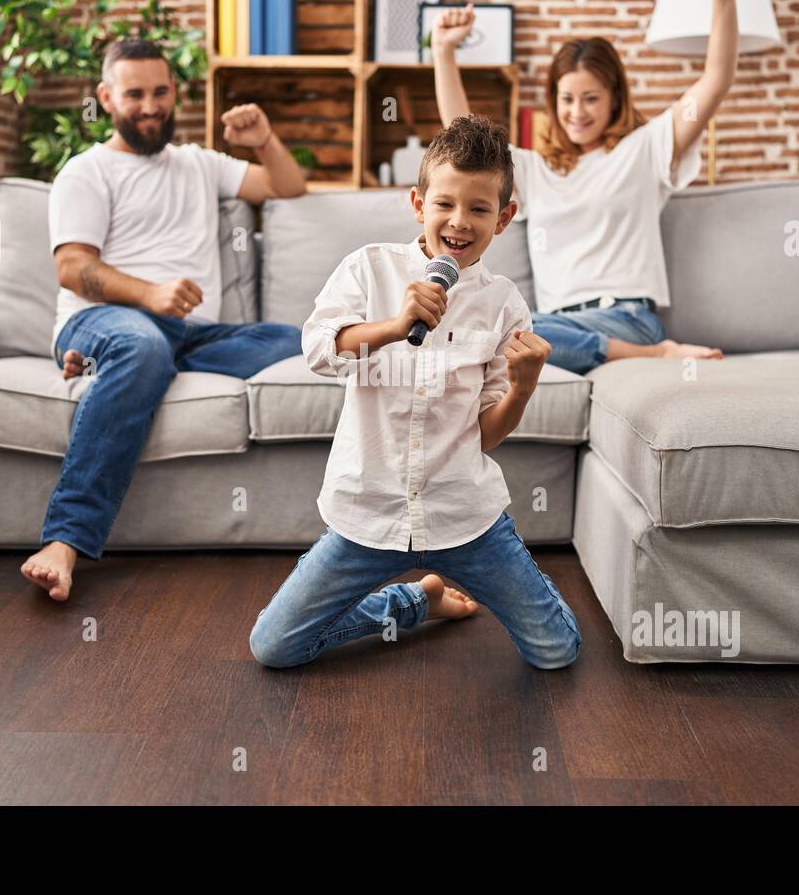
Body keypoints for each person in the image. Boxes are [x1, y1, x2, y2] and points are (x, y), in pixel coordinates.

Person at [249, 114, 582, 670]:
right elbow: (319, 352)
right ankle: (413, 602)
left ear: (504, 219)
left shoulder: (504, 304)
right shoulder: (368, 269)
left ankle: (520, 582)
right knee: (275, 646)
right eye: (445, 204)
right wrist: (392, 324)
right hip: (367, 514)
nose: (459, 221)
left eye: (479, 209)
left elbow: (487, 437)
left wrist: (523, 388)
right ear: (417, 204)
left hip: (464, 517)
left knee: (557, 652)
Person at [21, 37, 308, 601]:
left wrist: (263, 141)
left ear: (174, 93)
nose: (149, 105)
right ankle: (65, 540)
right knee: (141, 346)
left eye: (159, 92)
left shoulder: (199, 164)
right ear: (106, 97)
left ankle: (109, 371)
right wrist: (149, 294)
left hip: (192, 335)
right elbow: (72, 266)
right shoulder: (86, 172)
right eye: (134, 94)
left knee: (305, 343)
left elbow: (286, 186)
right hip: (103, 319)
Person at [430, 0, 739, 373]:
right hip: (560, 322)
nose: (578, 112)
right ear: (553, 102)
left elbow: (717, 80)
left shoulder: (645, 149)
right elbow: (463, 139)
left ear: (614, 99)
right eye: (567, 99)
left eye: (591, 98)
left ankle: (656, 353)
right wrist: (443, 51)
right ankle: (605, 351)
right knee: (486, 322)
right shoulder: (534, 171)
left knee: (506, 328)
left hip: (627, 318)